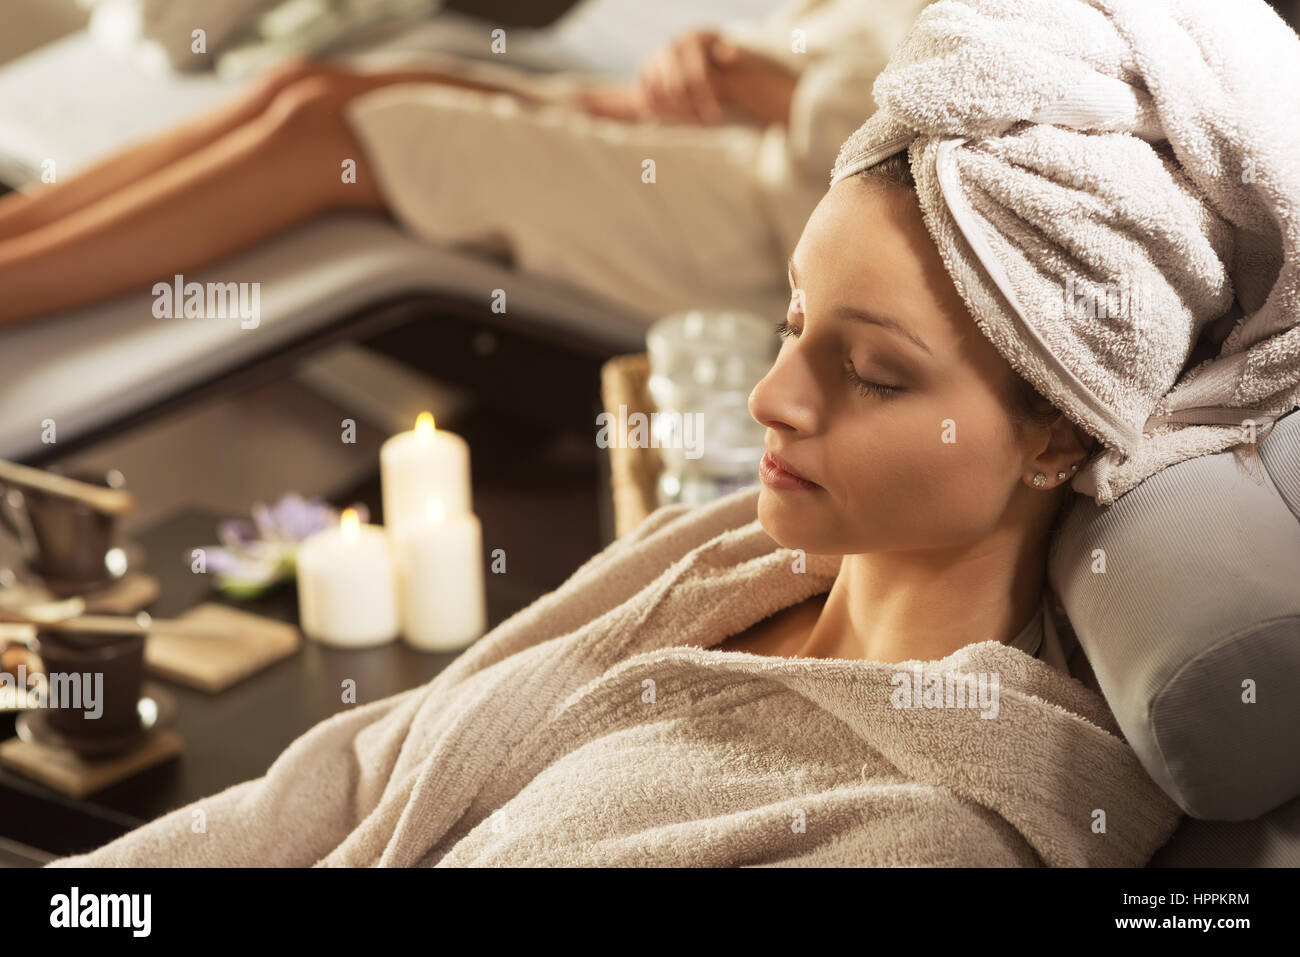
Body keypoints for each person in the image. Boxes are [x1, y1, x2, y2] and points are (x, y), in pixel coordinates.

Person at [46, 0, 1300, 868]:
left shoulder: (920, 831)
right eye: (790, 322)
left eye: (870, 374)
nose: (772, 400)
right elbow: (353, 778)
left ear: (1057, 442)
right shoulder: (730, 553)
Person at [0, 0, 929, 325]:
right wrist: (711, 66)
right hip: (726, 119)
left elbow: (924, 153)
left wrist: (761, 85)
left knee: (348, 137)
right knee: (310, 87)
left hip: (778, 214)